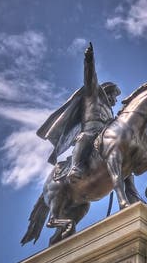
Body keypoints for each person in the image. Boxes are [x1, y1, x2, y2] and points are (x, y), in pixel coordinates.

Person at [36, 43, 120, 179]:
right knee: (84, 137)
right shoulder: (93, 95)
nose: (115, 100)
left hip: (104, 135)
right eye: (114, 96)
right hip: (90, 131)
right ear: (107, 93)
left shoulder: (110, 111)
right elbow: (90, 77)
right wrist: (89, 60)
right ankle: (75, 167)